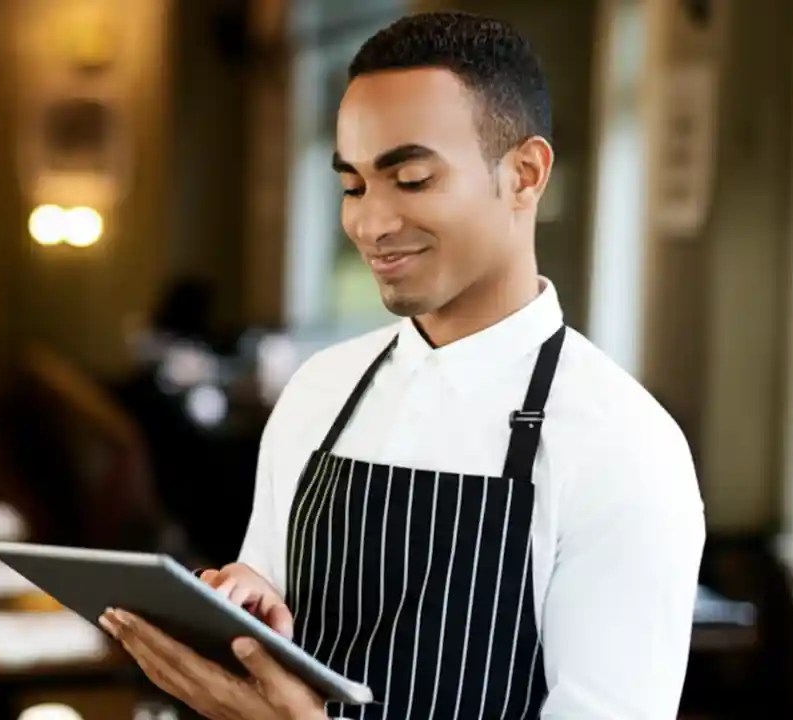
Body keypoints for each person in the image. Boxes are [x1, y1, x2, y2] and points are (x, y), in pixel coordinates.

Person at [100, 10, 705, 720]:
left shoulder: (622, 444)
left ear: (525, 174)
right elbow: (271, 633)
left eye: (411, 179)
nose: (370, 223)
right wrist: (243, 618)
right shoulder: (320, 391)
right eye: (353, 186)